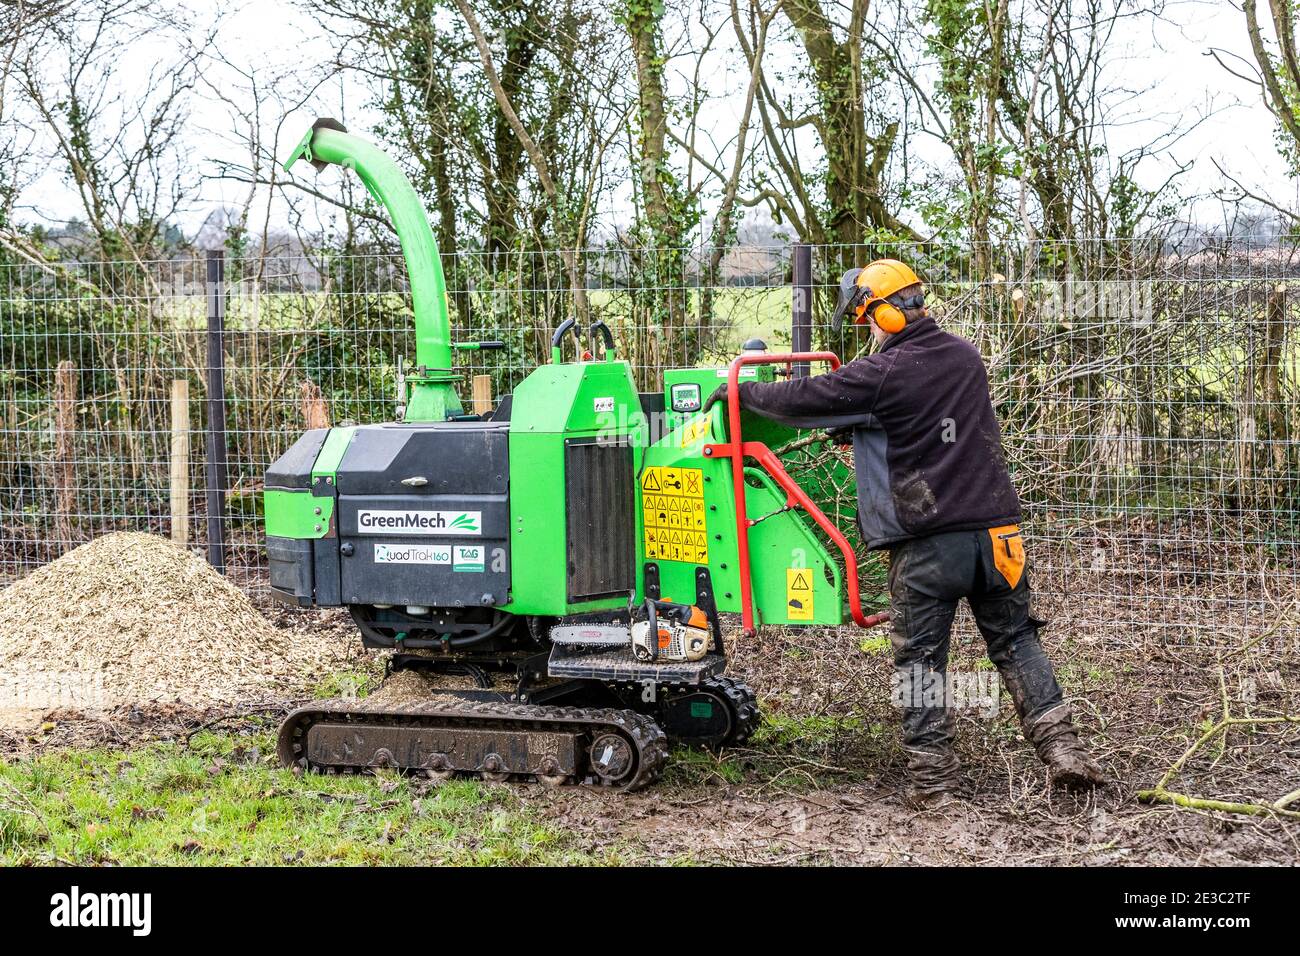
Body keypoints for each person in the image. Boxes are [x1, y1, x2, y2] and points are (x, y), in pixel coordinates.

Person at [705, 259, 1105, 806]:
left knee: (920, 662)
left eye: (867, 318)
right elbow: (926, 422)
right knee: (1016, 640)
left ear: (886, 313)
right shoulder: (965, 358)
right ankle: (1065, 752)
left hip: (929, 543)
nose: (868, 331)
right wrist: (865, 434)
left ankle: (934, 782)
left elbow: (808, 397)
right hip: (999, 536)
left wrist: (740, 394)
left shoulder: (885, 373)